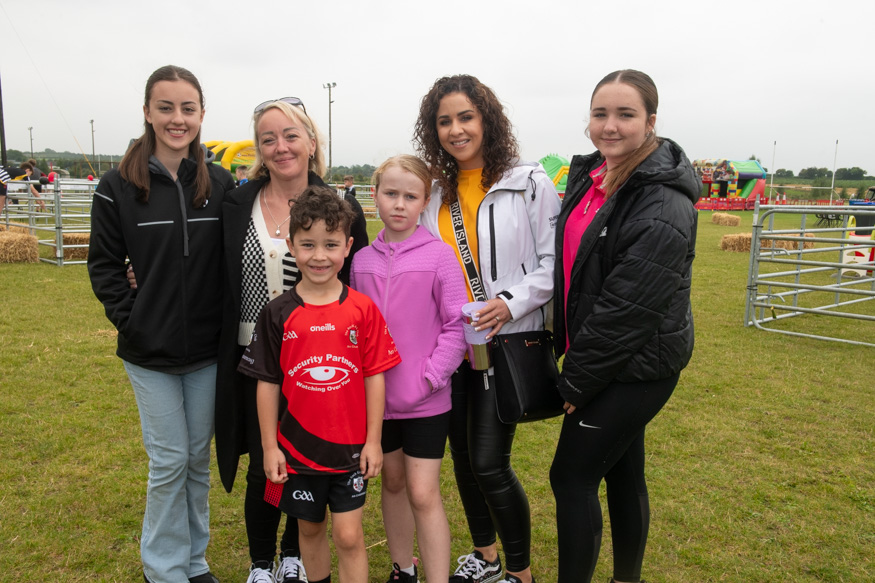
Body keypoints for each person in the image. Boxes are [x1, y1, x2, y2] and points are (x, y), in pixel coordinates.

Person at [87, 64, 235, 583]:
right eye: (166, 107)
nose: (177, 118)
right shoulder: (115, 187)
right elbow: (104, 266)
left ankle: (194, 562)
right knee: (170, 460)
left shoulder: (220, 182)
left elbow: (235, 258)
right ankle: (163, 568)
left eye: (188, 108)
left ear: (200, 114)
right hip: (149, 353)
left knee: (197, 460)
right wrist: (134, 321)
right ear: (148, 112)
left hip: (207, 353)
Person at [549, 70, 698, 583]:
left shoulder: (662, 199)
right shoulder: (592, 176)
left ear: (651, 122)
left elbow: (629, 306)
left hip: (633, 366)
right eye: (600, 114)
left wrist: (577, 379)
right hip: (606, 356)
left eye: (625, 115)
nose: (609, 126)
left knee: (570, 478)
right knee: (622, 471)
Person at [215, 97, 369, 583]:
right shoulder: (237, 203)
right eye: (268, 138)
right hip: (253, 355)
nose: (280, 147)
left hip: (319, 358)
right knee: (266, 463)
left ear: (310, 142)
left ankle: (294, 557)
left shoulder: (341, 207)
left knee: (309, 464)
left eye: (290, 135)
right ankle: (261, 562)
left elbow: (357, 282)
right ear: (258, 149)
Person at [413, 74, 560, 583]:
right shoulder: (435, 192)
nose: (456, 129)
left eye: (466, 117)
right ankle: (487, 559)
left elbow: (552, 262)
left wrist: (508, 302)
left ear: (487, 120)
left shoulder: (529, 181)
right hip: (453, 345)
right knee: (462, 461)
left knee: (489, 461)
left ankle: (520, 574)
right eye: (444, 121)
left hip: (509, 340)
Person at [238, 187, 401, 583]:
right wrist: (269, 447)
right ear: (291, 245)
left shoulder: (362, 309)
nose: (319, 256)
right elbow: (267, 384)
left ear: (347, 247)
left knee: (348, 535)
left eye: (330, 244)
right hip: (296, 452)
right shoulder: (276, 313)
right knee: (309, 529)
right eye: (308, 244)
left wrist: (374, 440)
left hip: (350, 451)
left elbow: (374, 376)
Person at [350, 155, 468, 583]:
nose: (399, 204)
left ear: (424, 202)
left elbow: (458, 323)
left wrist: (430, 377)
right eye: (391, 194)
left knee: (422, 491)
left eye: (410, 196)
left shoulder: (440, 256)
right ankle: (403, 569)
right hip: (376, 403)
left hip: (426, 402)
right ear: (375, 197)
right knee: (393, 484)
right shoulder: (361, 260)